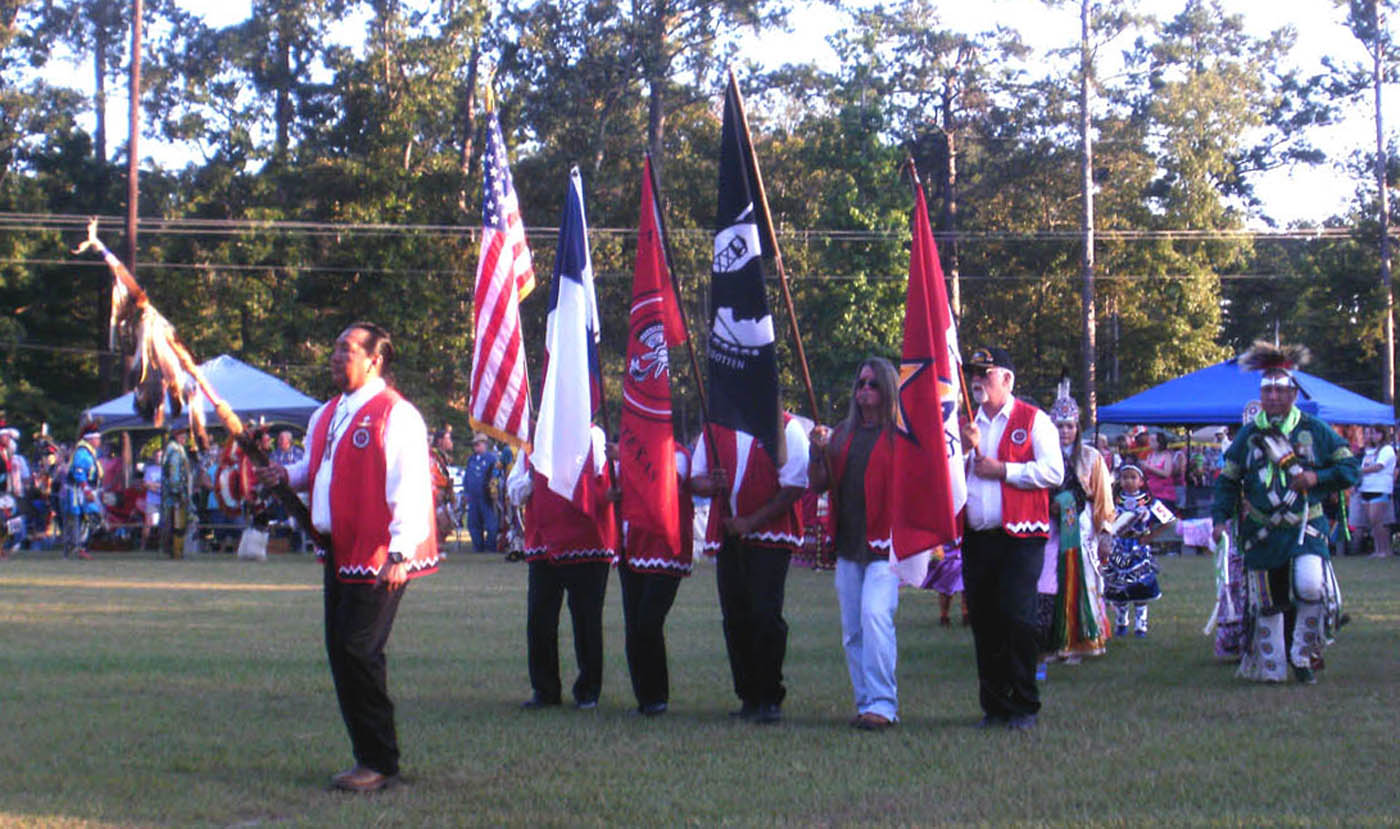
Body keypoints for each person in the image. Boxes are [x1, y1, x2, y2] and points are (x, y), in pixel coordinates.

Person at [256, 322, 438, 792]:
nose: (337, 357)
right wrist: (287, 476)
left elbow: (412, 487)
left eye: (348, 349)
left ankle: (379, 760)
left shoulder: (396, 415)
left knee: (359, 651)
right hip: (339, 550)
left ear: (375, 359)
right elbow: (319, 469)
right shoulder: (326, 414)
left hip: (380, 553)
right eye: (335, 348)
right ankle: (369, 755)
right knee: (341, 652)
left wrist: (400, 552)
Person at [1211, 341, 1359, 685]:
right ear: (1261, 396)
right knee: (1268, 601)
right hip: (1262, 531)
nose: (1274, 397)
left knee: (1309, 587)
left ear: (1293, 394)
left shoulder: (1314, 430)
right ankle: (1272, 666)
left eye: (1281, 390)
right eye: (1268, 391)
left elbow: (1349, 468)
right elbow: (1229, 480)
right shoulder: (1249, 435)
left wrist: (1316, 477)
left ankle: (1304, 657)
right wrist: (1221, 518)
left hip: (1306, 526)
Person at [957, 346, 1064, 732]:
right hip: (978, 537)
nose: (978, 381)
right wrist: (963, 452)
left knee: (1016, 617)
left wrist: (1004, 471)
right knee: (984, 620)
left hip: (1021, 536)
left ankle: (1024, 704)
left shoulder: (1033, 421)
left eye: (986, 373)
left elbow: (1053, 472)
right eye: (974, 373)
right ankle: (995, 705)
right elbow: (947, 476)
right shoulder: (964, 424)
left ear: (1007, 379)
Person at [690, 411, 809, 725]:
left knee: (765, 614)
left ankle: (770, 695)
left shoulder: (786, 427)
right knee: (735, 614)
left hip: (770, 536)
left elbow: (795, 486)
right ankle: (748, 695)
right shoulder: (715, 427)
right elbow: (696, 479)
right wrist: (711, 484)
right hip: (730, 534)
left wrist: (751, 522)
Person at [808, 357, 903, 730]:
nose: (864, 390)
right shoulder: (842, 434)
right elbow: (818, 484)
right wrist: (818, 451)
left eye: (873, 384)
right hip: (849, 543)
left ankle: (883, 703)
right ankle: (866, 701)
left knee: (876, 617)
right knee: (853, 629)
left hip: (886, 544)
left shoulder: (901, 436)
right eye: (860, 384)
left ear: (887, 389)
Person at [508, 424, 617, 710]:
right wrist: (532, 477)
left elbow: (604, 483)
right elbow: (514, 491)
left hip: (587, 542)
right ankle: (545, 690)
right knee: (540, 620)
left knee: (586, 620)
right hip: (544, 542)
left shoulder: (593, 434)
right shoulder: (531, 442)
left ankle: (588, 691)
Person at [617, 443, 694, 716]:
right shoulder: (628, 453)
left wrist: (625, 459)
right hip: (632, 546)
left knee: (648, 620)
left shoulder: (679, 456)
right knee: (634, 624)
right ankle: (645, 697)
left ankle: (657, 695)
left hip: (664, 549)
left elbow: (661, 485)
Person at [1046, 380, 1115, 662]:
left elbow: (1102, 499)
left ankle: (1080, 640)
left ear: (1078, 427)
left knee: (1081, 580)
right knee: (1052, 581)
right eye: (1059, 425)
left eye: (1070, 426)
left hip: (1082, 527)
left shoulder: (1091, 457)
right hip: (1050, 527)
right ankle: (1054, 640)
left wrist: (1106, 532)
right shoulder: (1043, 455)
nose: (1065, 432)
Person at [1103, 464, 1164, 637]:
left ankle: (1141, 624)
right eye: (1125, 477)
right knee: (1118, 585)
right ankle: (1121, 622)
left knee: (1140, 585)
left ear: (1141, 481)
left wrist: (1150, 536)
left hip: (1138, 548)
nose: (1128, 481)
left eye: (1133, 477)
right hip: (1118, 547)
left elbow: (1169, 520)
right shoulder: (1113, 500)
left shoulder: (1149, 501)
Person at [60, 429, 103, 560]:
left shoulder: (90, 453)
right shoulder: (82, 453)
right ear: (90, 439)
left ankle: (80, 547)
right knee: (77, 518)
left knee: (91, 518)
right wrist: (86, 489)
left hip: (87, 489)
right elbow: (79, 472)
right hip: (77, 491)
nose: (99, 441)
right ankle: (74, 547)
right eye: (97, 438)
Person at [1357, 424, 1394, 558]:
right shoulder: (1369, 451)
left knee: (1377, 520)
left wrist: (1359, 471)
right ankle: (1378, 549)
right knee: (1372, 522)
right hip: (1366, 488)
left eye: (1377, 433)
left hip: (1380, 488)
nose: (1373, 436)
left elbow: (1378, 466)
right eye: (1372, 433)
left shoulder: (1387, 450)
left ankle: (1384, 549)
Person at [462, 433, 501, 552]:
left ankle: (490, 546)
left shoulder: (492, 458)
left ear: (484, 444)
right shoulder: (471, 459)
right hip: (473, 496)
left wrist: (493, 489)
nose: (475, 447)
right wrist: (465, 492)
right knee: (473, 523)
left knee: (490, 523)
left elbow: (496, 475)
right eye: (474, 445)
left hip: (486, 495)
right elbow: (467, 476)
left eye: (478, 444)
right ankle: (477, 546)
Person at [160, 426, 192, 559]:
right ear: (177, 438)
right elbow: (174, 474)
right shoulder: (175, 453)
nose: (185, 439)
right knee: (177, 522)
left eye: (185, 437)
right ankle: (176, 551)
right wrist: (177, 491)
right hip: (176, 494)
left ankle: (175, 550)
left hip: (174, 493)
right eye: (182, 437)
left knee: (175, 521)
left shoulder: (175, 451)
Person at [429, 427, 457, 545]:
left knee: (446, 523)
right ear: (440, 441)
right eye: (448, 438)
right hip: (435, 495)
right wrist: (436, 491)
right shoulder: (432, 455)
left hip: (443, 493)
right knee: (440, 522)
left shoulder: (442, 457)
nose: (451, 442)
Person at [1141, 432, 1180, 511]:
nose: (1150, 442)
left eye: (1152, 440)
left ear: (1159, 442)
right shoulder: (1150, 455)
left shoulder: (1167, 456)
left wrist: (1149, 466)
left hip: (1164, 494)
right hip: (1151, 493)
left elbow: (1166, 473)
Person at [141, 448, 162, 550]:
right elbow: (145, 484)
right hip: (152, 501)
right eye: (157, 456)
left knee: (164, 524)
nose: (159, 458)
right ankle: (143, 546)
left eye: (161, 456)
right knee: (148, 524)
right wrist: (158, 486)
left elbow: (166, 486)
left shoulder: (167, 469)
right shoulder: (150, 469)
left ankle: (161, 546)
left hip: (163, 501)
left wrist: (153, 485)